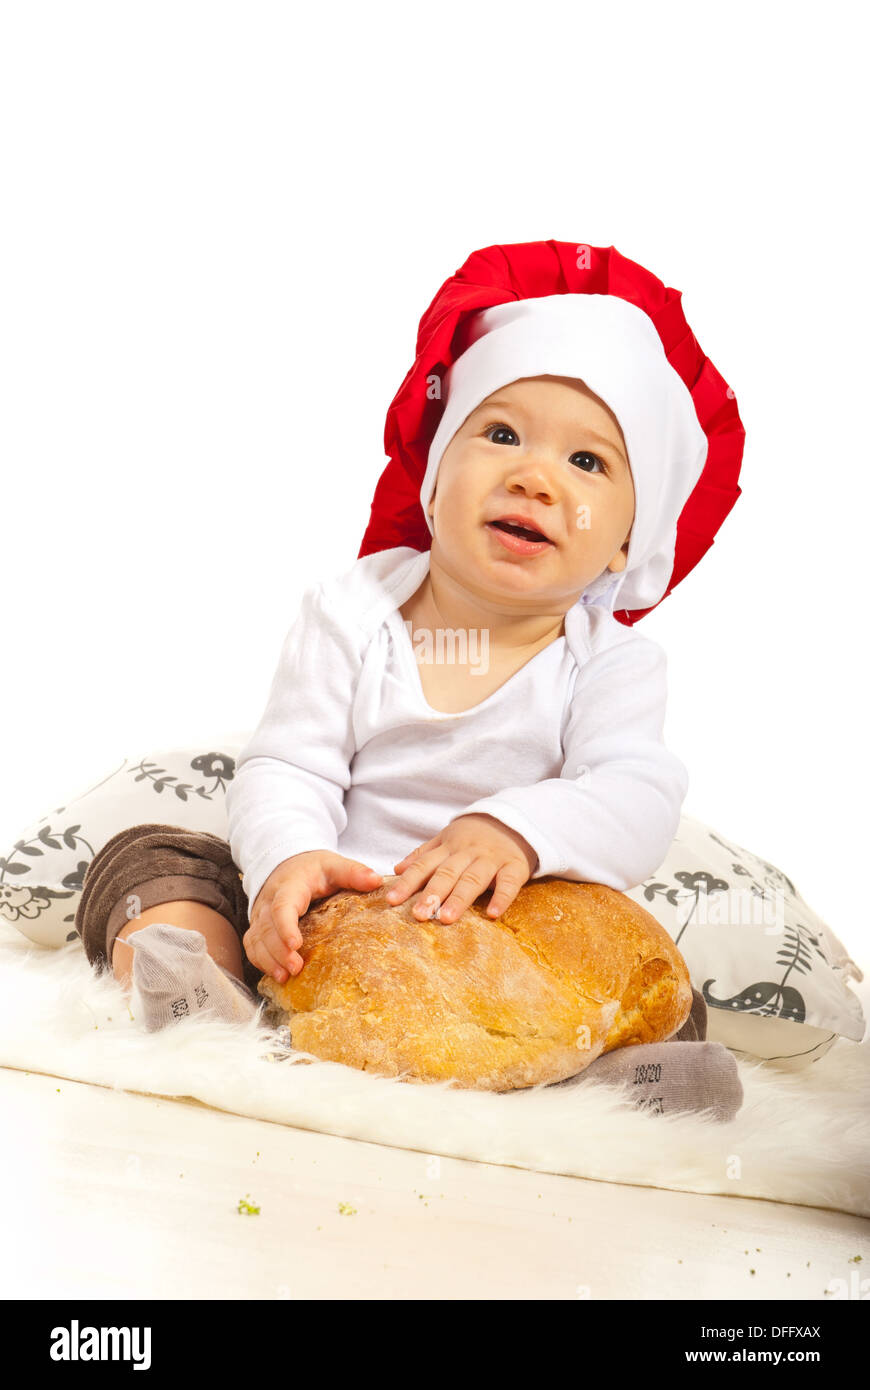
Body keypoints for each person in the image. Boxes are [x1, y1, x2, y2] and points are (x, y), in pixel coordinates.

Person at [75, 240, 745, 1121]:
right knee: (155, 859)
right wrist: (290, 864)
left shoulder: (610, 662)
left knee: (651, 969)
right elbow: (288, 765)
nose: (535, 475)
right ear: (433, 483)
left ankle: (599, 1086)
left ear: (628, 542)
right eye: (500, 433)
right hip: (330, 919)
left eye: (589, 464)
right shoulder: (352, 613)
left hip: (509, 943)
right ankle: (207, 994)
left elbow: (638, 792)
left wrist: (515, 830)